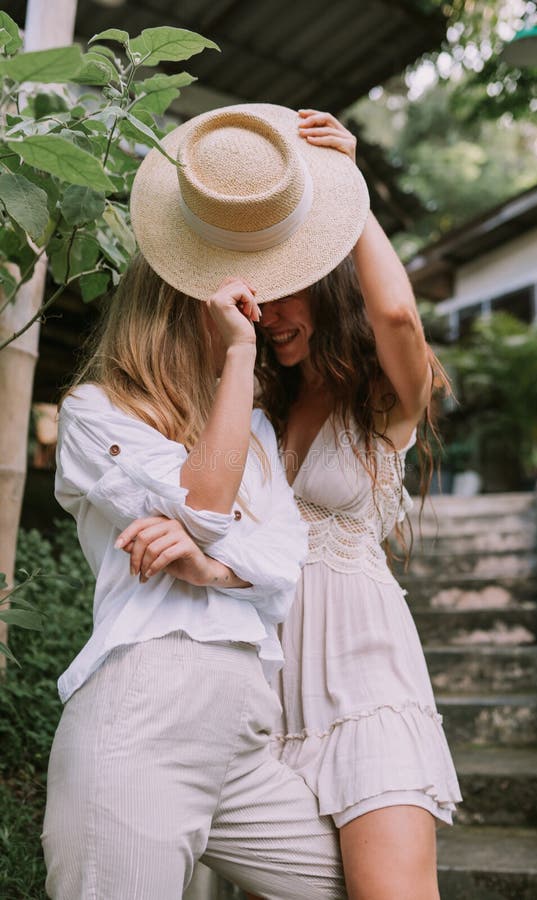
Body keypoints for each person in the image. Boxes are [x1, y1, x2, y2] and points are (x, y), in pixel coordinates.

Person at [41, 104, 361, 900]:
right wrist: (241, 356)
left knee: (352, 884)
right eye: (251, 304)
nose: (264, 315)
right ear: (189, 303)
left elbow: (281, 566)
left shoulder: (249, 428)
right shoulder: (95, 411)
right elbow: (205, 503)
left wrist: (208, 569)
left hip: (241, 728)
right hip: (144, 713)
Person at [252, 110, 464, 900]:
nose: (269, 315)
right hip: (266, 692)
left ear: (327, 279)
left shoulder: (381, 406)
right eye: (260, 298)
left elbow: (398, 317)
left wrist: (351, 198)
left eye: (284, 294)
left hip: (364, 680)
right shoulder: (263, 409)